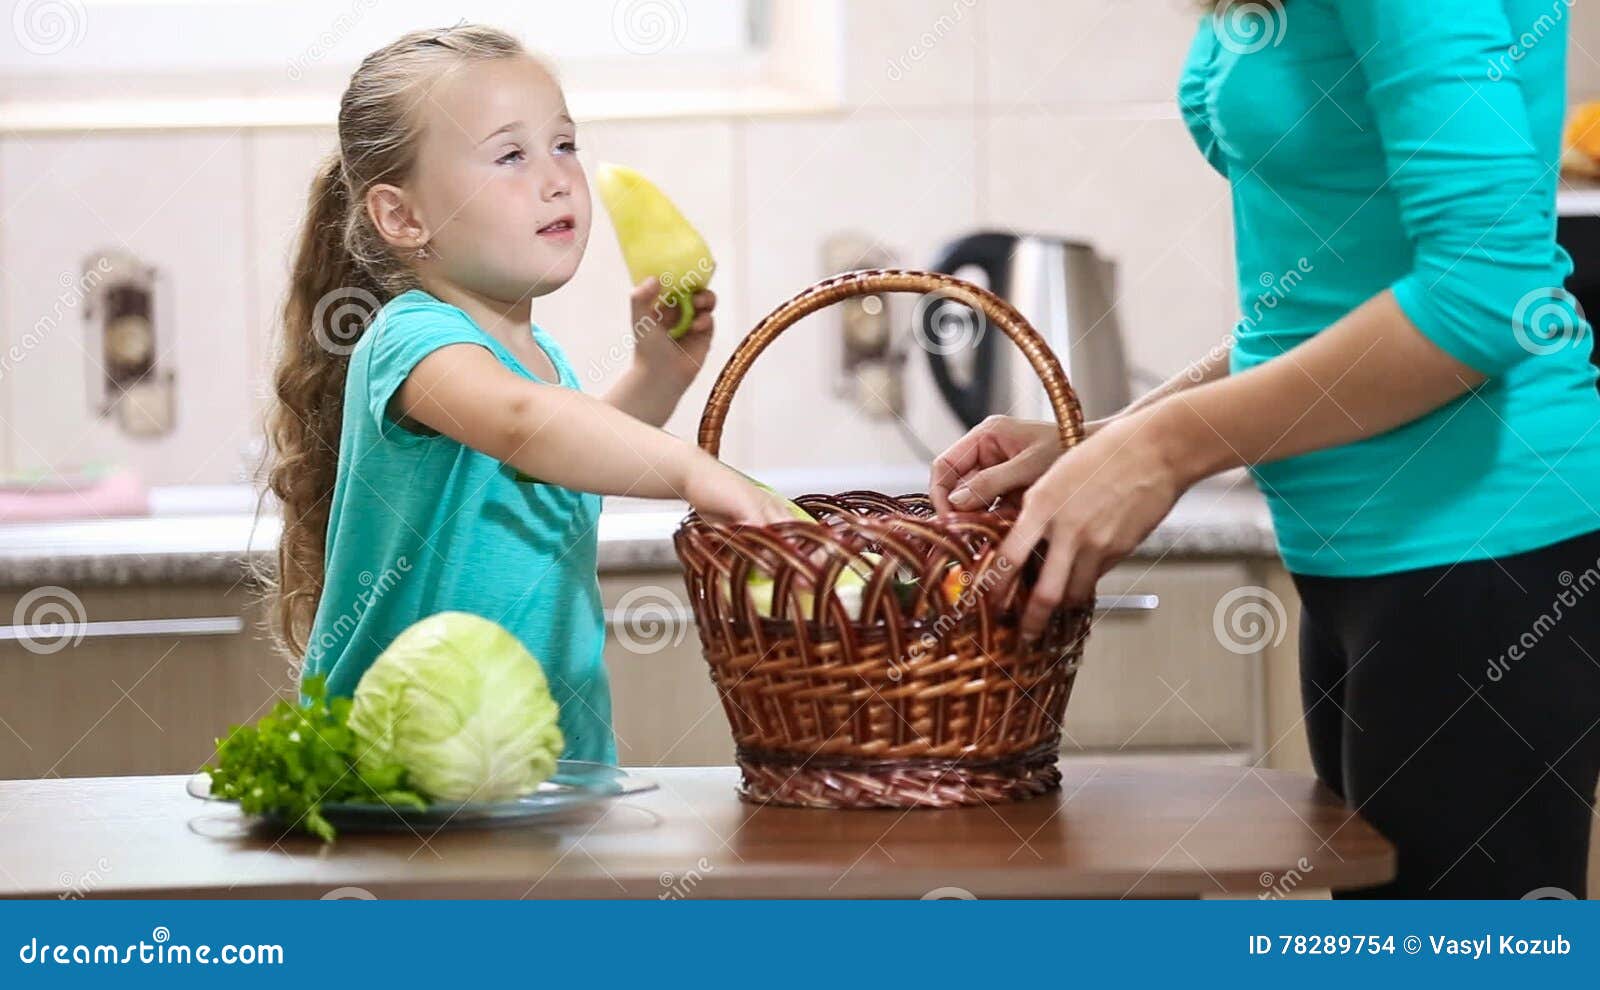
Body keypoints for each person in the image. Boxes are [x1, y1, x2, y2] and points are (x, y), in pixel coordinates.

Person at [931, 1, 1600, 898]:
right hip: (1359, 560)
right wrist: (1108, 440)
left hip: (1480, 549)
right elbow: (1319, 308)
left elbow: (1482, 296)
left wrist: (1166, 450)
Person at [264, 24, 791, 767]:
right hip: (398, 788)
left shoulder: (541, 366)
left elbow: (556, 467)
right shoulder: (409, 340)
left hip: (542, 774)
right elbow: (526, 429)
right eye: (511, 155)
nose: (556, 178)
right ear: (402, 217)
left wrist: (657, 374)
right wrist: (697, 471)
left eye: (564, 145)